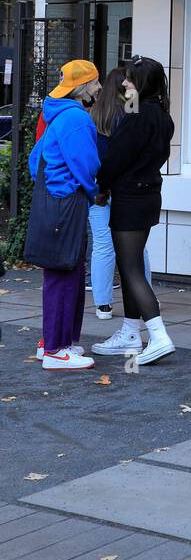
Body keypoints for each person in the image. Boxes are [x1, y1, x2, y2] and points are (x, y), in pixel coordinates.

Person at [91, 56, 174, 365]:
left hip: (130, 198)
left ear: (141, 83)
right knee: (132, 265)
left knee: (130, 269)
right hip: (149, 194)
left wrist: (101, 185)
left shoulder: (138, 116)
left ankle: (158, 335)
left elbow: (116, 157)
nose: (123, 83)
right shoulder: (161, 116)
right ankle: (129, 330)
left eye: (129, 79)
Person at [28, 60, 102, 371]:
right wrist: (90, 189)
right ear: (83, 87)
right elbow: (87, 165)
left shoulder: (56, 114)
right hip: (68, 202)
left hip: (53, 200)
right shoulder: (77, 118)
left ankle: (54, 344)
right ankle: (58, 350)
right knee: (66, 273)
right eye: (95, 82)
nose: (99, 88)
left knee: (60, 273)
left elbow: (36, 159)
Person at [89, 68, 153, 320]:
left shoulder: (93, 115)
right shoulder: (128, 113)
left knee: (102, 246)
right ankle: (145, 298)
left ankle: (103, 304)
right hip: (126, 189)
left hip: (98, 189)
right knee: (139, 249)